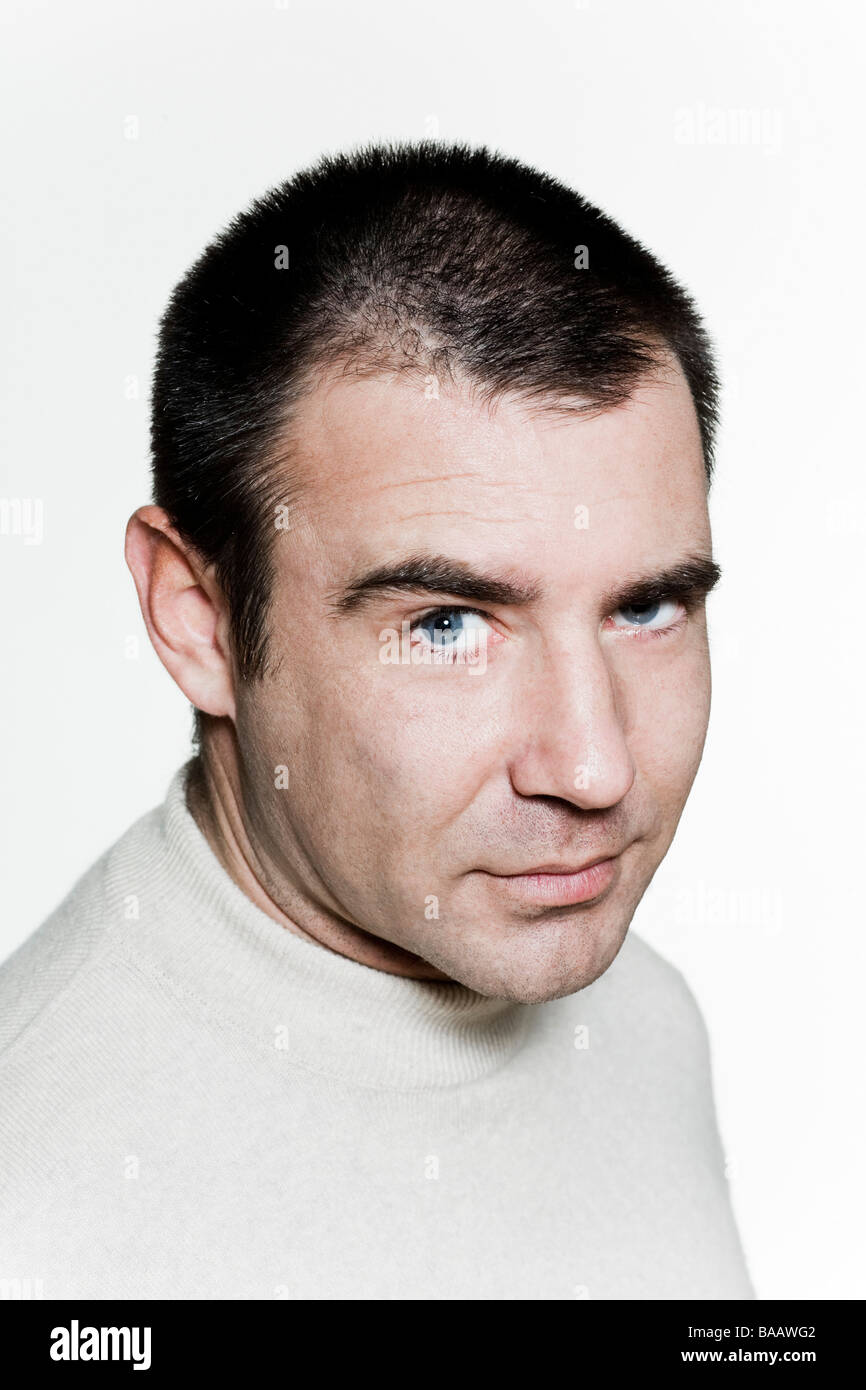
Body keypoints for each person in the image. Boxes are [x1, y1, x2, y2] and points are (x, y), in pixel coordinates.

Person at [0, 140, 755, 1299]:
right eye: (448, 624)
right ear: (197, 618)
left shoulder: (643, 1018)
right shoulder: (32, 1200)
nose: (594, 767)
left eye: (644, 606)